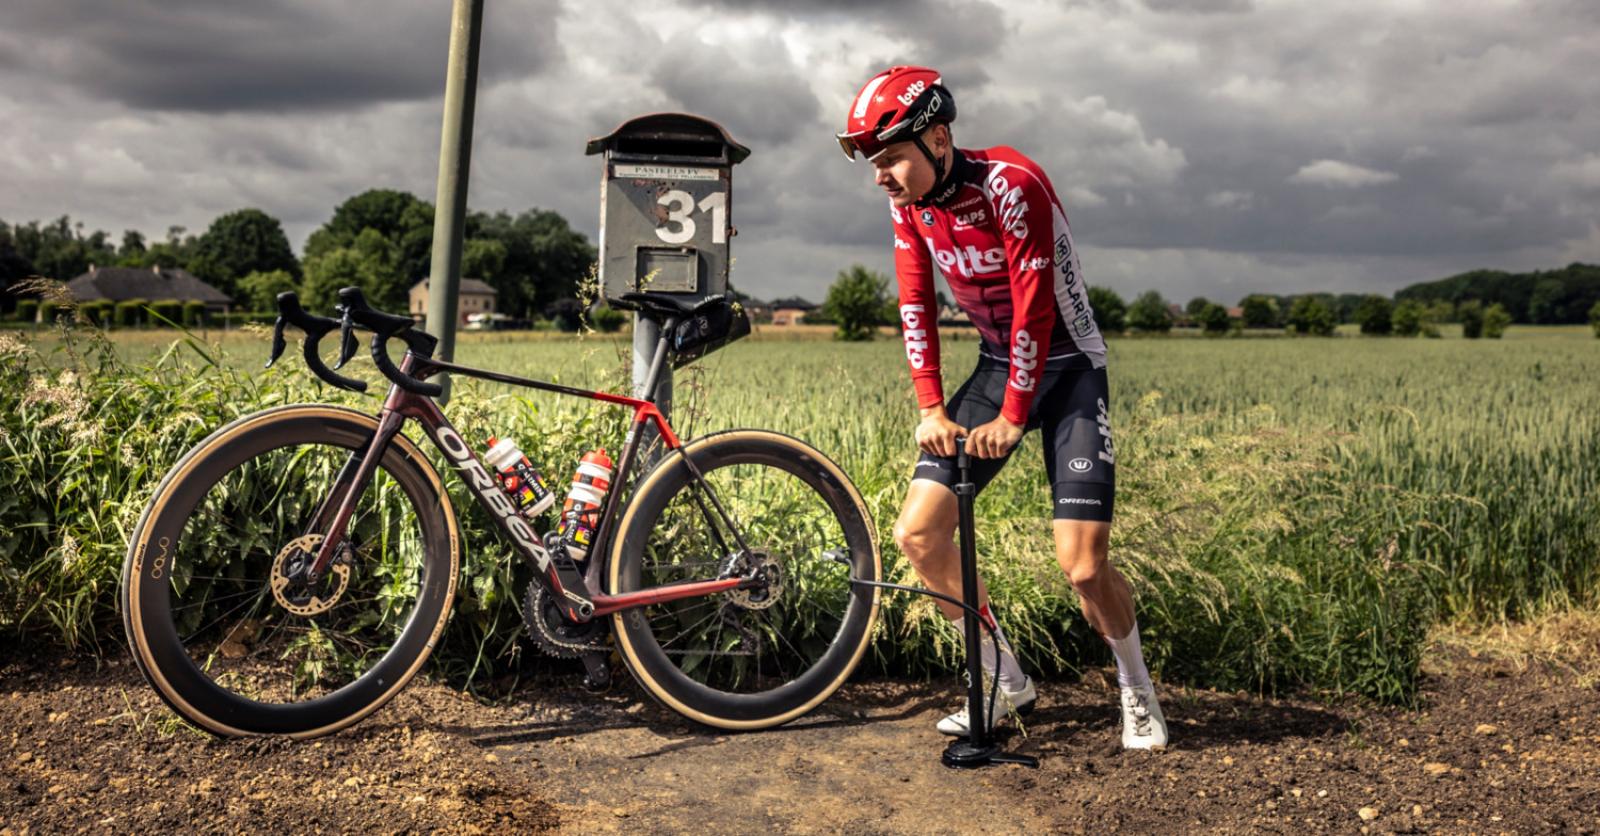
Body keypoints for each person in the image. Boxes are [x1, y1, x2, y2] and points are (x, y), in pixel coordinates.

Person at [836, 66, 1168, 749]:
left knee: (1082, 566)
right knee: (919, 537)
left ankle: (1136, 686)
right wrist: (932, 406)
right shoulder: (908, 205)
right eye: (875, 163)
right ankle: (1004, 680)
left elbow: (1035, 312)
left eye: (892, 158)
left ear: (938, 138)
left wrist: (1013, 418)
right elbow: (915, 307)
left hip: (1069, 367)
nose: (882, 175)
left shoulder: (1012, 184)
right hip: (996, 365)